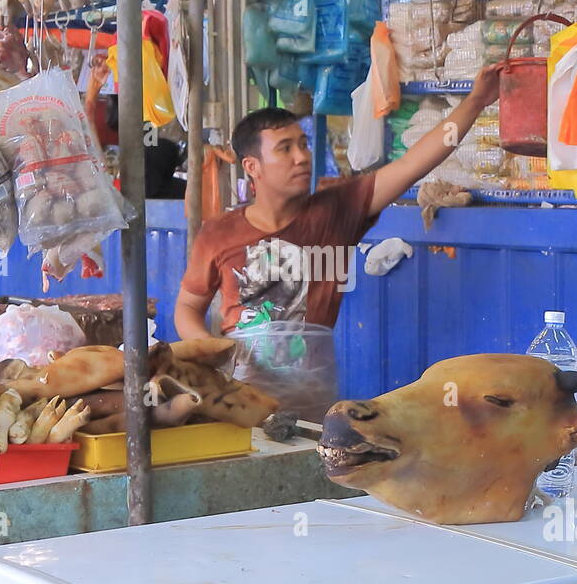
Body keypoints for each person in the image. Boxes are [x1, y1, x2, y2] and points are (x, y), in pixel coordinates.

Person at [174, 67, 499, 369]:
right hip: (238, 386)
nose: (302, 157)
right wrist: (216, 352)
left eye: (303, 144)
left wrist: (476, 100)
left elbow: (415, 162)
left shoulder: (336, 211)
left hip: (310, 390)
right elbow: (188, 307)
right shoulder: (218, 234)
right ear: (252, 166)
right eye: (285, 149)